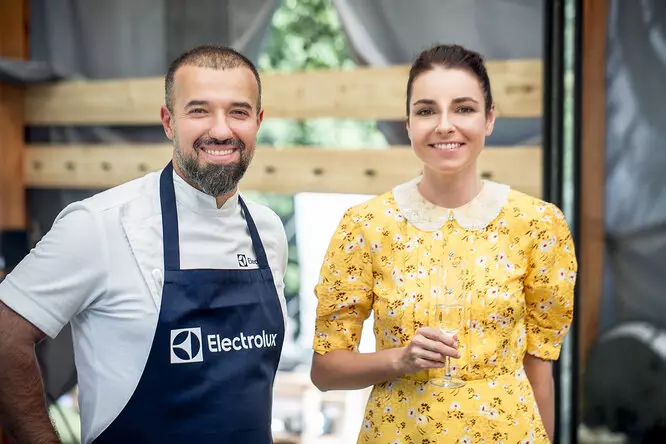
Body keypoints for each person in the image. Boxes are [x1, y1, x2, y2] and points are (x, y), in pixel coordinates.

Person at [0, 45, 288, 443]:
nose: (221, 130)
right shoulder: (99, 225)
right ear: (169, 121)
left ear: (257, 122)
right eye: (199, 110)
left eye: (238, 112)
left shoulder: (268, 231)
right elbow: (5, 334)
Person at [310, 43, 577, 443]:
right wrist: (399, 359)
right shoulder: (365, 226)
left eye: (464, 108)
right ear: (408, 124)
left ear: (489, 120)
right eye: (426, 110)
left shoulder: (537, 225)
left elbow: (539, 370)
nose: (444, 125)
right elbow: (325, 371)